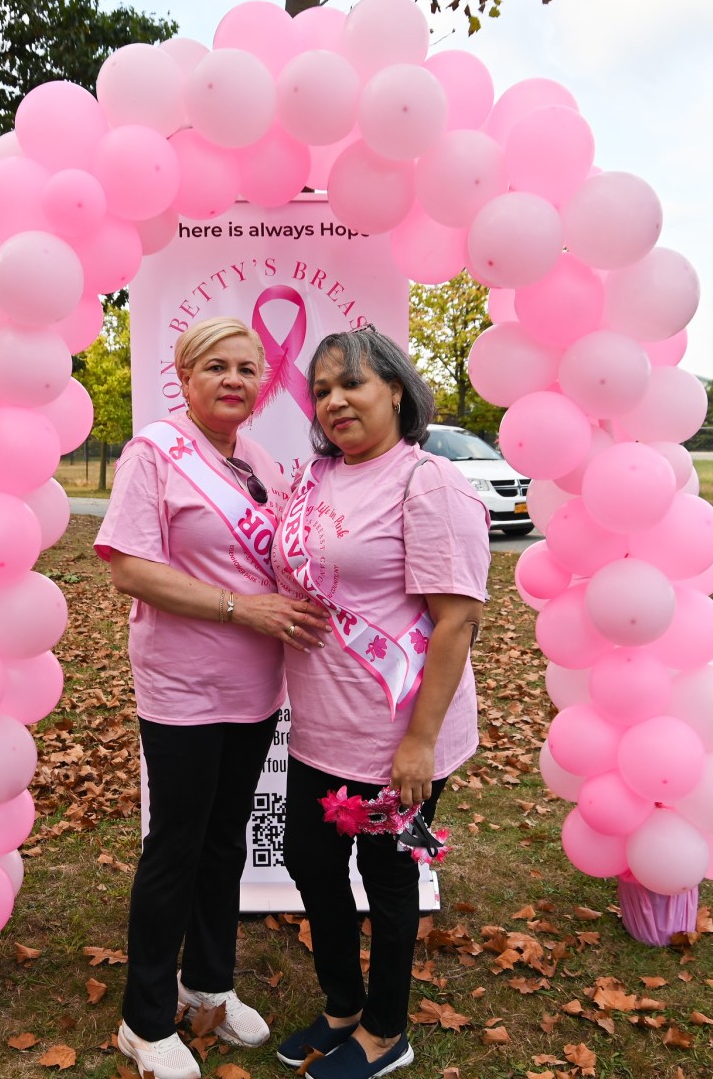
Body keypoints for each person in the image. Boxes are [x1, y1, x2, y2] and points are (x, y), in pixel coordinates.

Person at [94, 316, 328, 1079]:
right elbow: (129, 570)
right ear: (186, 378)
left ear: (263, 384)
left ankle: (209, 985)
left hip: (255, 683)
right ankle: (143, 1020)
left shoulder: (257, 458)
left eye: (248, 369)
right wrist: (240, 610)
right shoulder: (154, 454)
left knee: (226, 840)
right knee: (177, 847)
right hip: (184, 685)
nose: (234, 380)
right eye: (217, 367)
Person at [273, 326, 492, 1079]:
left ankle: (385, 1031)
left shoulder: (427, 482)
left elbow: (456, 620)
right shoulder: (315, 479)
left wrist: (420, 744)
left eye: (352, 383)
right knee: (309, 859)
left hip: (397, 733)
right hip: (319, 725)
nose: (335, 401)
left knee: (389, 876)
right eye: (321, 390)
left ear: (395, 389)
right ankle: (342, 1005)